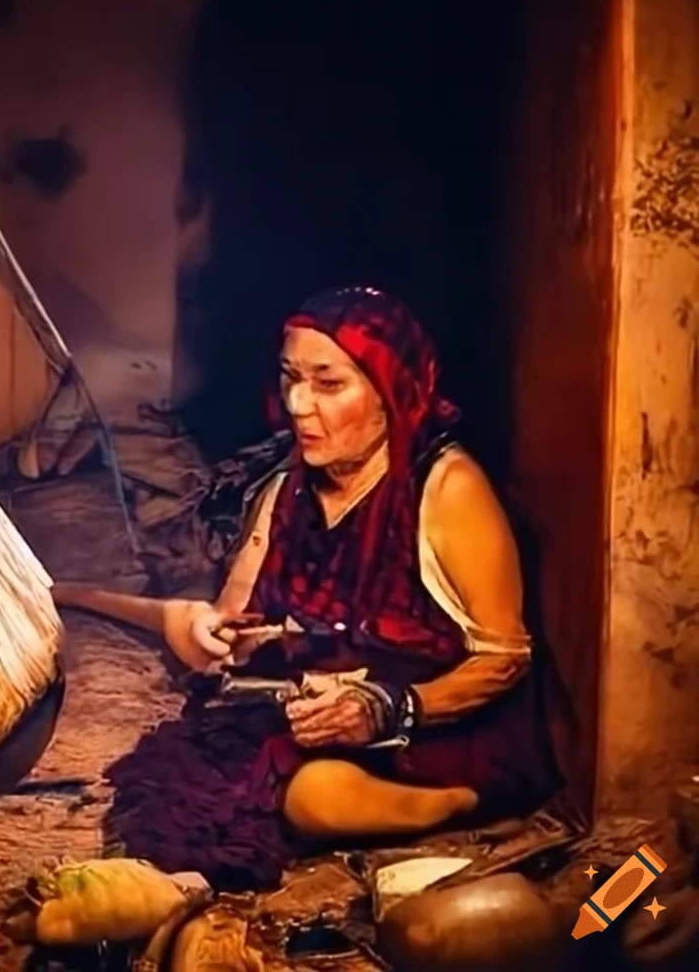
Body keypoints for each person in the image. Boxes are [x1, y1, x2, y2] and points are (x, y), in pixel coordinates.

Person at [53, 286, 559, 889]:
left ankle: (459, 807)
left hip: (442, 723)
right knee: (215, 781)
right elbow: (232, 622)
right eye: (291, 377)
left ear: (391, 391)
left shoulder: (448, 489)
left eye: (328, 384)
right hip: (324, 714)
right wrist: (213, 634)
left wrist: (390, 707)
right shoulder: (288, 487)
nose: (297, 403)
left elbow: (505, 658)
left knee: (313, 797)